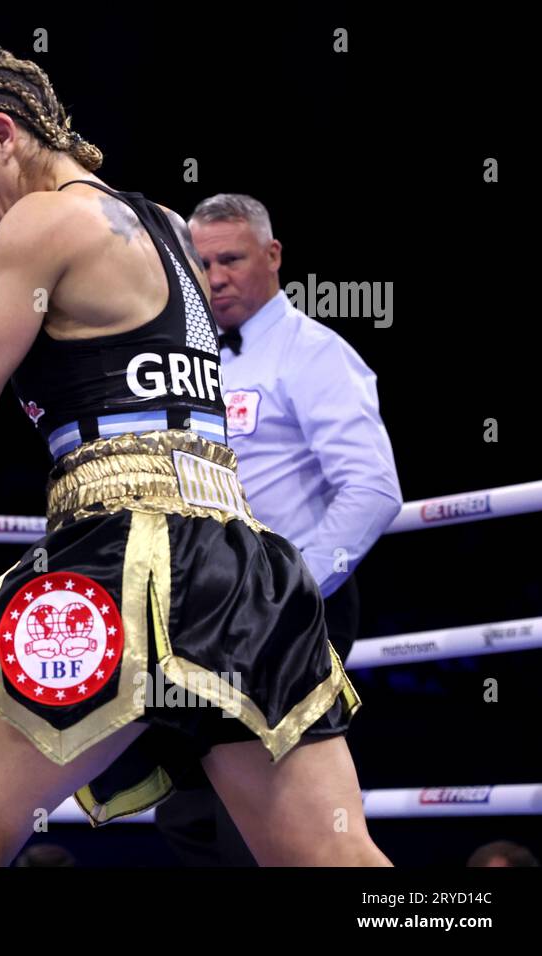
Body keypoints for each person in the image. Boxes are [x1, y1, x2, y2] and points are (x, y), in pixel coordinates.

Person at [0, 45, 391, 866]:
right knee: (338, 859)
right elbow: (96, 331)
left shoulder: (42, 223)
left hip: (124, 556)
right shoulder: (166, 226)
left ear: (3, 134)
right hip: (239, 566)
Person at [154, 193, 403, 865]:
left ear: (272, 256)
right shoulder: (188, 363)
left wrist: (292, 586)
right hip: (200, 614)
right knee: (191, 815)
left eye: (230, 258)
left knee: (277, 825)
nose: (215, 277)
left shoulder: (316, 353)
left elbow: (373, 489)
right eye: (200, 263)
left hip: (286, 611)